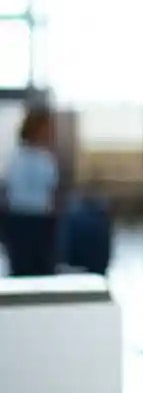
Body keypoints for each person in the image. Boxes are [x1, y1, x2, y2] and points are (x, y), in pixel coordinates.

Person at [2, 106, 59, 277]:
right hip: (20, 219)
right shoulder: (16, 158)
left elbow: (52, 191)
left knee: (42, 270)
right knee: (22, 269)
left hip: (40, 219)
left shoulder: (46, 158)